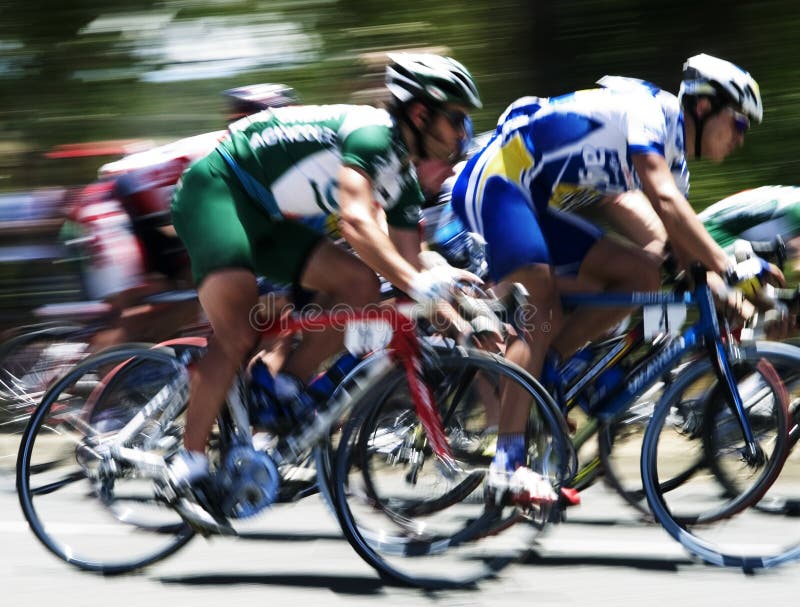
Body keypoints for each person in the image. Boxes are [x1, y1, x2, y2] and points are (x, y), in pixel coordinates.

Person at [167, 53, 483, 532]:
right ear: (420, 114)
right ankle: (186, 465)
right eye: (456, 118)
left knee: (357, 284)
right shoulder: (375, 135)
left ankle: (280, 391)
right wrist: (420, 283)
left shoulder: (403, 174)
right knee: (234, 334)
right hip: (218, 190)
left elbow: (409, 261)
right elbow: (356, 222)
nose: (463, 132)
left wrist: (456, 307)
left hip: (269, 215)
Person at [449, 53, 781, 506]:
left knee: (641, 273)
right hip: (498, 180)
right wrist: (727, 265)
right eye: (739, 124)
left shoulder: (676, 165)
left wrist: (736, 297)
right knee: (540, 298)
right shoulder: (651, 110)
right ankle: (507, 466)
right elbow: (661, 197)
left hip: (536, 202)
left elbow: (677, 253)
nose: (740, 139)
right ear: (703, 108)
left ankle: (544, 377)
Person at [62, 84, 301, 349]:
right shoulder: (233, 147)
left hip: (150, 216)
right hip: (111, 205)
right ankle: (94, 377)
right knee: (129, 307)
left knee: (196, 296)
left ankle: (149, 366)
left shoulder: (253, 148)